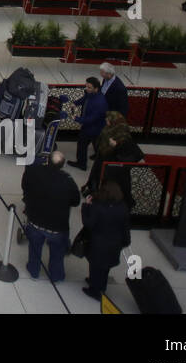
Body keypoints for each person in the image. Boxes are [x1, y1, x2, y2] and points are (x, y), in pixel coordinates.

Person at [20, 149, 80, 284]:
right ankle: (56, 276)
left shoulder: (34, 172)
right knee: (57, 254)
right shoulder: (68, 181)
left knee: (34, 249)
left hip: (35, 221)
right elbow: (76, 201)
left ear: (47, 161)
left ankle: (33, 271)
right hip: (57, 227)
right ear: (63, 165)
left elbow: (25, 186)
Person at [80, 180, 131, 300]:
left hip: (98, 244)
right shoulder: (123, 207)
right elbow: (125, 227)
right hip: (114, 244)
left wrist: (86, 207)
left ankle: (94, 289)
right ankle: (101, 286)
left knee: (95, 266)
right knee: (105, 267)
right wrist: (126, 241)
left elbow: (88, 223)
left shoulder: (98, 207)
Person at [86, 114, 144, 211]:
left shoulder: (123, 137)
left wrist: (116, 145)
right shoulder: (110, 130)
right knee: (100, 180)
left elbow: (134, 152)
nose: (106, 121)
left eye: (108, 120)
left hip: (115, 167)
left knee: (113, 186)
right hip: (104, 161)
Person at [70, 76, 108, 171]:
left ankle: (81, 164)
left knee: (82, 144)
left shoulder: (100, 102)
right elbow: (84, 98)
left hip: (93, 128)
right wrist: (75, 103)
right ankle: (100, 160)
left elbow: (92, 119)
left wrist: (77, 119)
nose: (86, 89)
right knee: (96, 144)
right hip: (92, 126)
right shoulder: (90, 93)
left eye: (89, 87)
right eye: (86, 86)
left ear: (96, 88)